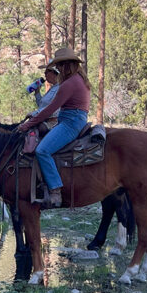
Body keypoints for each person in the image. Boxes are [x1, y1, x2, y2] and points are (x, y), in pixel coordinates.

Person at [17, 48, 90, 208]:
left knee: (42, 150)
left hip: (70, 122)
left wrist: (27, 125)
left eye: (60, 66)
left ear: (66, 66)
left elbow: (50, 109)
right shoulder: (79, 80)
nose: (59, 70)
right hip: (74, 119)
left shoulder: (69, 84)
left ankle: (55, 190)